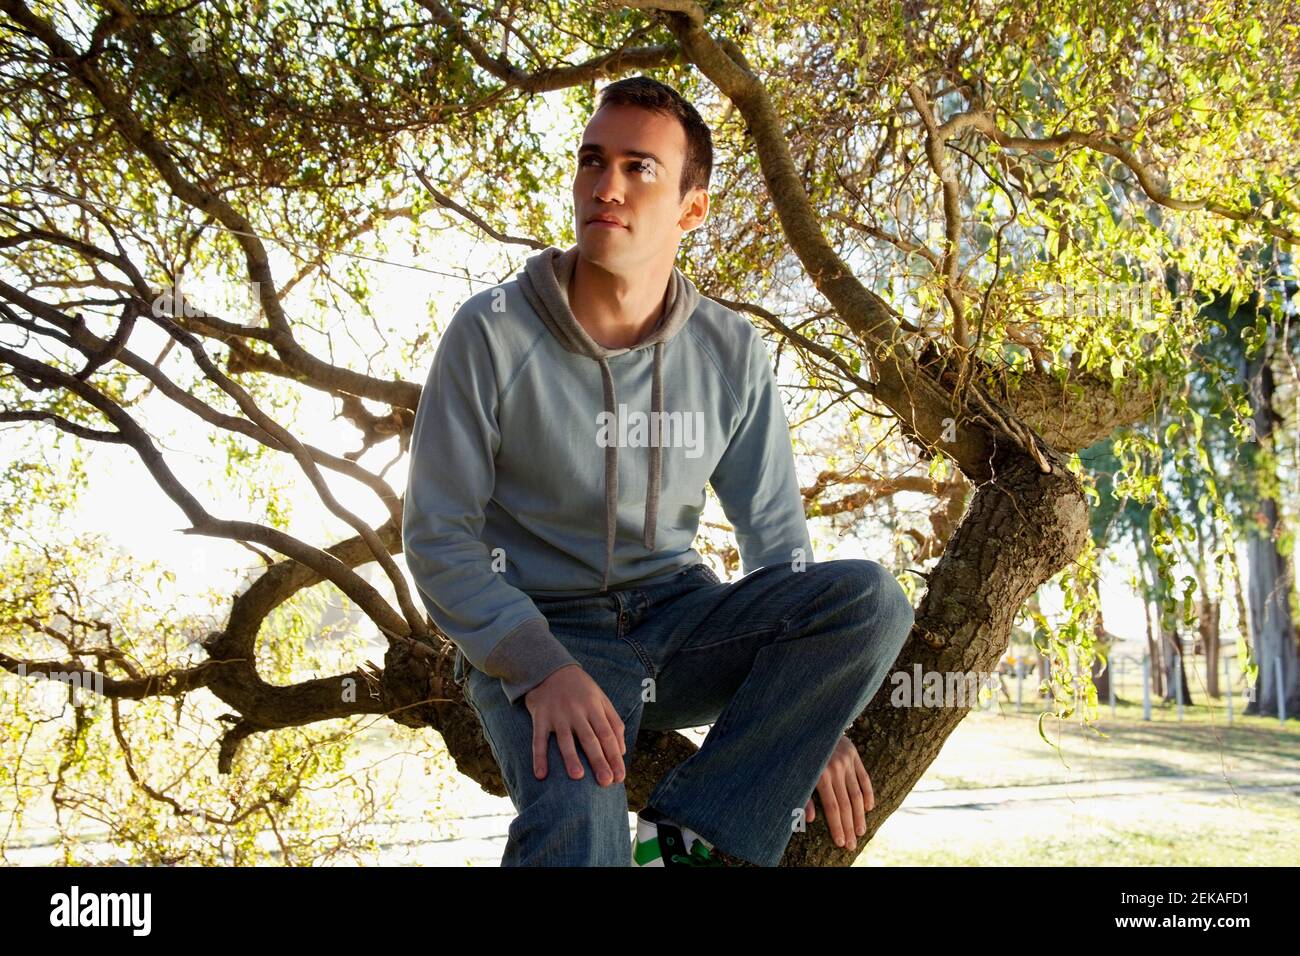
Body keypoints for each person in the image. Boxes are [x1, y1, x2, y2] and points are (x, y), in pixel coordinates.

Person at [402, 75, 914, 867]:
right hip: (542, 624)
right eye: (592, 160)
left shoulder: (731, 351)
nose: (606, 186)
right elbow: (440, 540)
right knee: (579, 816)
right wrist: (541, 669)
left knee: (869, 601)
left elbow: (776, 536)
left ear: (691, 209)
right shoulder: (491, 333)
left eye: (640, 167)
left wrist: (810, 722)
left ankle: (686, 838)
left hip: (682, 623)